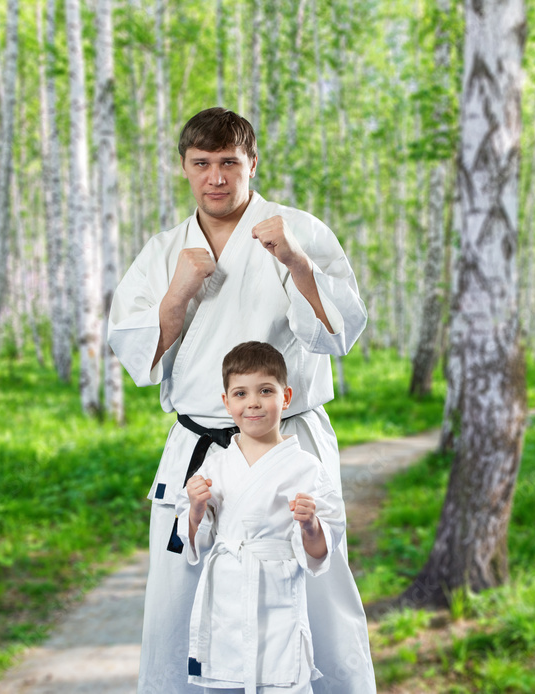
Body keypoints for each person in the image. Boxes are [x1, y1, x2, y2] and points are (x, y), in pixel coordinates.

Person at [108, 107, 375, 693]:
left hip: (287, 442)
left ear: (252, 162)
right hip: (201, 447)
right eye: (202, 164)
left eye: (230, 162)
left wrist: (297, 263)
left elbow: (339, 335)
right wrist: (178, 291)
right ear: (184, 168)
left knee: (314, 586)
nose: (217, 177)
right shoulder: (163, 252)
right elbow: (137, 362)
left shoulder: (296, 229)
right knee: (181, 591)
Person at [176, 341, 347, 693]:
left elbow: (320, 551)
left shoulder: (307, 468)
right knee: (225, 681)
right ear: (227, 403)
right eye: (240, 393)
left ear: (285, 397)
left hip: (277, 597)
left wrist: (311, 525)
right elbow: (194, 538)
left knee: (284, 679)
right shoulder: (216, 463)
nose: (252, 402)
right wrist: (194, 509)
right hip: (225, 597)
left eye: (265, 391)